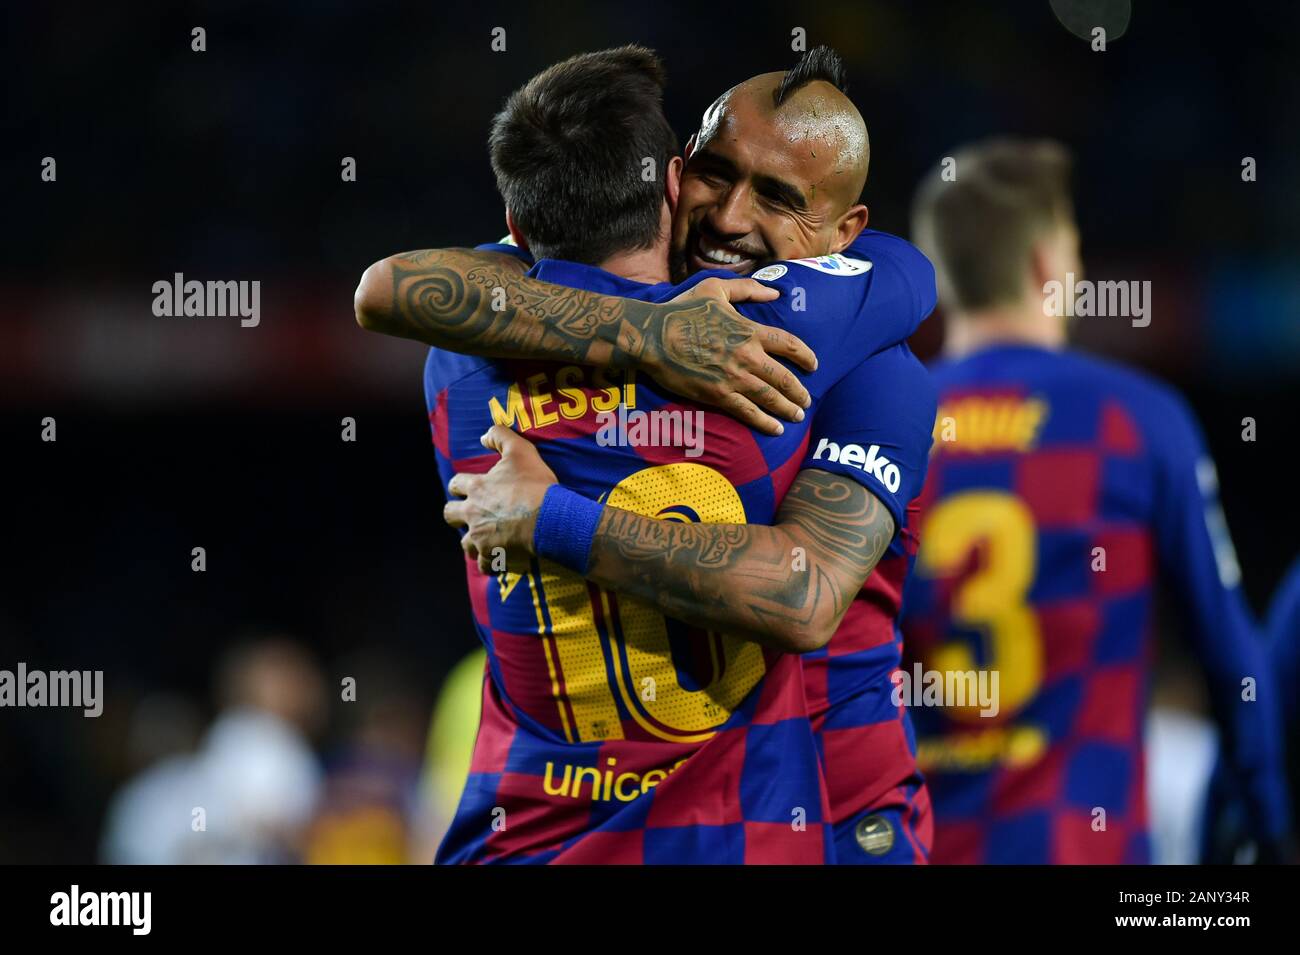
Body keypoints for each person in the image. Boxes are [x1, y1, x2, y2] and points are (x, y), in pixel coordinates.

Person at [355, 46, 937, 863]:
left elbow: (389, 288)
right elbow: (911, 273)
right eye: (716, 173)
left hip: (836, 808)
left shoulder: (470, 345)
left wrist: (549, 516)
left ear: (846, 234)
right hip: (742, 827)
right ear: (674, 175)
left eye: (777, 198)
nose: (729, 218)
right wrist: (655, 331)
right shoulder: (833, 339)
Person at [899, 138, 1290, 863]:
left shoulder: (888, 426)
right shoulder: (1134, 420)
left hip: (925, 849)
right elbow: (1231, 656)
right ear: (1046, 263)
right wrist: (1266, 829)